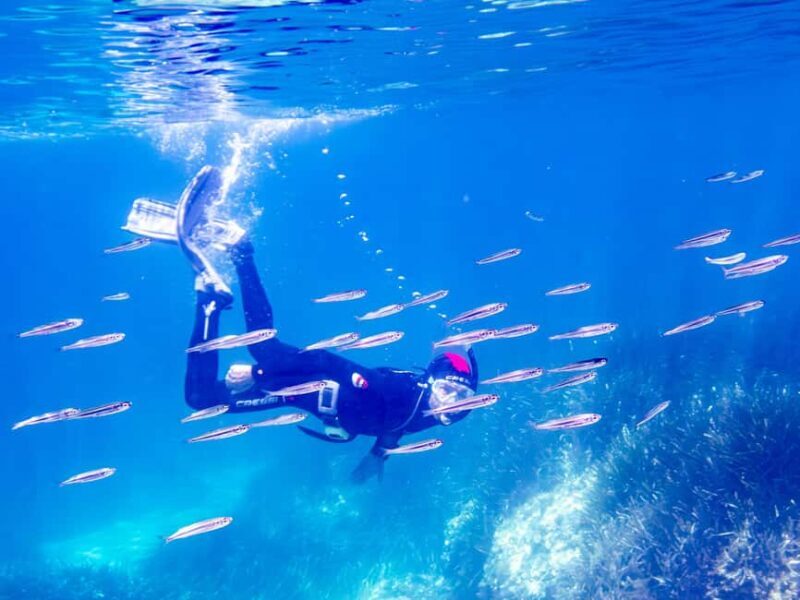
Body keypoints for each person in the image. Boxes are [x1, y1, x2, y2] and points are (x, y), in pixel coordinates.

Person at [179, 166, 480, 482]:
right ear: (430, 382)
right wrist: (258, 373)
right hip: (308, 381)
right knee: (258, 354)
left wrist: (378, 455)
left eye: (462, 398)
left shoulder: (443, 415)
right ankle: (236, 260)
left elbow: (400, 424)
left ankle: (216, 292)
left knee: (204, 397)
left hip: (302, 398)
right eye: (448, 389)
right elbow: (329, 362)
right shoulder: (398, 389)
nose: (451, 401)